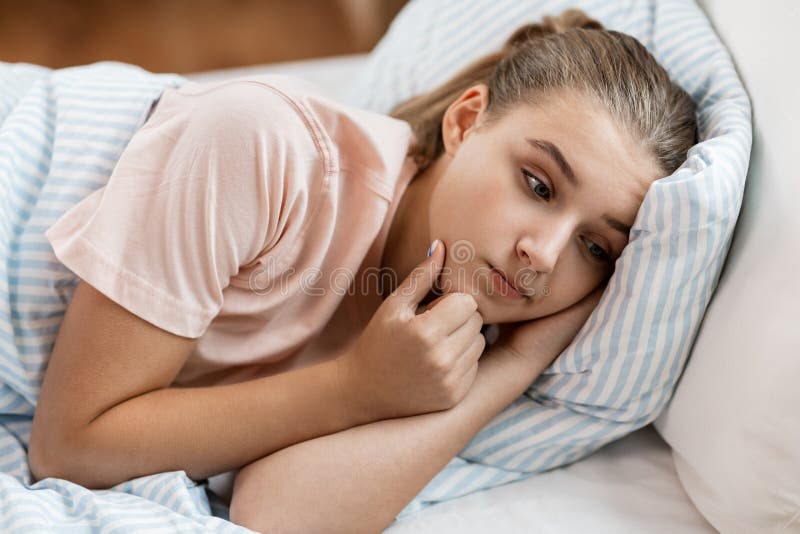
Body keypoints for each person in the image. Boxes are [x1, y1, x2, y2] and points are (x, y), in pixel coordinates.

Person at [27, 7, 697, 533]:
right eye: (538, 185)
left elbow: (274, 515)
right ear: (467, 122)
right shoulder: (268, 146)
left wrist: (515, 365)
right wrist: (354, 388)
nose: (544, 254)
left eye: (595, 248)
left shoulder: (448, 333)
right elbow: (69, 448)